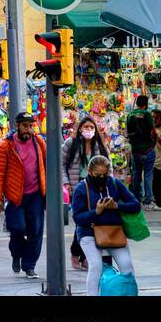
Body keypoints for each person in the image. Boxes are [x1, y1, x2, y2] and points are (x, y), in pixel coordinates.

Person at [70, 154, 141, 297]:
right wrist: (96, 212)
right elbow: (78, 218)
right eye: (97, 175)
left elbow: (135, 205)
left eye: (104, 174)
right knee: (95, 265)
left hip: (113, 232)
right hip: (88, 232)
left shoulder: (114, 183)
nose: (101, 178)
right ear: (89, 172)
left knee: (127, 266)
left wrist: (117, 206)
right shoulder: (81, 189)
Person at [0, 111, 46, 279]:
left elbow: (47, 166)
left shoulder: (39, 142)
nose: (28, 130)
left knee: (35, 231)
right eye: (25, 126)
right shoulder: (5, 146)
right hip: (15, 196)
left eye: (31, 126)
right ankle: (16, 254)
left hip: (36, 194)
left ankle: (29, 266)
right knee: (17, 229)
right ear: (17, 126)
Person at [62, 115, 109, 270]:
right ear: (80, 128)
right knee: (81, 221)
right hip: (78, 187)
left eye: (91, 127)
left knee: (93, 221)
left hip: (95, 186)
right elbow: (60, 163)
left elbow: (108, 166)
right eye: (85, 127)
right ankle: (78, 253)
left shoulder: (100, 145)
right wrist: (66, 182)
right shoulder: (70, 143)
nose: (88, 130)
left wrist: (110, 184)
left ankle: (84, 256)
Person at [124, 95, 157, 207]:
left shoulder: (129, 115)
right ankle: (148, 200)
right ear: (146, 104)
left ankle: (136, 199)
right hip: (148, 149)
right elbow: (153, 132)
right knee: (148, 175)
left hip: (135, 150)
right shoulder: (147, 114)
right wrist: (154, 142)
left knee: (136, 175)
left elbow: (127, 133)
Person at [153, 110, 161, 209]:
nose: (154, 120)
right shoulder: (149, 129)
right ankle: (156, 201)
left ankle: (159, 202)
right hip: (151, 159)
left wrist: (157, 138)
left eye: (156, 118)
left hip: (160, 160)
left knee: (158, 182)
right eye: (152, 117)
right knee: (155, 183)